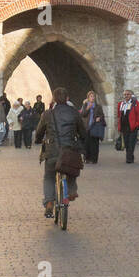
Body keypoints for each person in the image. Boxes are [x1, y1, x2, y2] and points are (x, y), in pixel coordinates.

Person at [34, 86, 87, 218]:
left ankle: (49, 202)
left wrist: (38, 140)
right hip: (69, 150)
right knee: (71, 169)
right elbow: (83, 132)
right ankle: (72, 190)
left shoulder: (47, 114)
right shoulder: (75, 113)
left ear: (54, 99)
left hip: (52, 151)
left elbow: (39, 132)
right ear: (67, 98)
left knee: (49, 176)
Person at [117, 90, 139, 163]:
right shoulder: (121, 104)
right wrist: (119, 126)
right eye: (125, 94)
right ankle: (130, 156)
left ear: (131, 95)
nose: (126, 96)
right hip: (124, 127)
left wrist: (137, 124)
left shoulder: (135, 104)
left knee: (131, 143)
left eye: (128, 94)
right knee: (126, 143)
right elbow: (119, 115)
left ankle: (128, 158)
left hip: (133, 127)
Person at [80, 90, 106, 163]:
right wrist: (88, 108)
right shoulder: (85, 105)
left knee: (94, 144)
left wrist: (99, 118)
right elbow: (82, 114)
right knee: (86, 144)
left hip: (94, 127)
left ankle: (94, 159)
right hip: (87, 127)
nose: (92, 98)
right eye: (91, 96)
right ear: (88, 97)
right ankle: (87, 159)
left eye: (93, 96)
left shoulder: (98, 106)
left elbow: (102, 115)